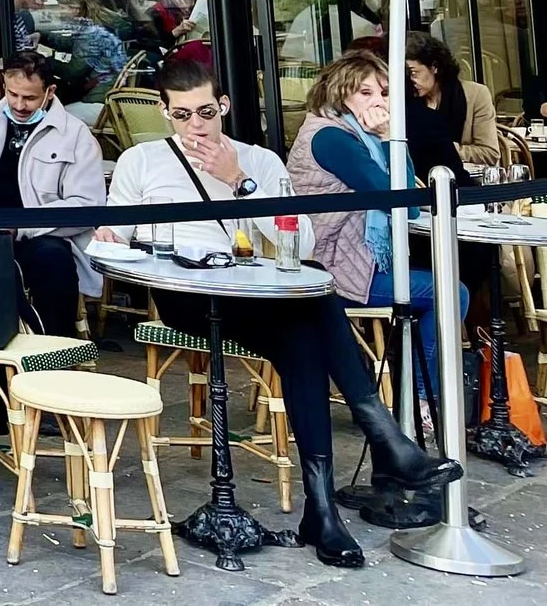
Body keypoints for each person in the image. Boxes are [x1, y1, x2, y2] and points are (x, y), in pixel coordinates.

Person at [102, 57, 458, 565]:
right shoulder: (142, 161)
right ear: (165, 113)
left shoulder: (259, 160)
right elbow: (124, 235)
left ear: (222, 106)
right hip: (188, 295)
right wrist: (114, 235)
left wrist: (241, 181)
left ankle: (324, 510)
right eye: (182, 116)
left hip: (253, 291)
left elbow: (303, 240)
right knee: (314, 315)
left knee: (308, 328)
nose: (196, 125)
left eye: (205, 112)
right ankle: (380, 446)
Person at [287, 51, 455, 405]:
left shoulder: (349, 133)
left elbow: (404, 192)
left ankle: (412, 388)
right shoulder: (332, 138)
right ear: (339, 94)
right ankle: (422, 399)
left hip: (351, 259)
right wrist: (392, 137)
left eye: (383, 93)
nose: (378, 102)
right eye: (365, 93)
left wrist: (391, 140)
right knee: (452, 292)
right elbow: (403, 201)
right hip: (330, 268)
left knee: (446, 282)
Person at [0, 52, 103, 334]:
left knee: (53, 261)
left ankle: (54, 349)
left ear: (50, 92)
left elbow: (87, 206)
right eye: (12, 94)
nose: (19, 105)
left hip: (40, 235)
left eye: (30, 98)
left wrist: (21, 225)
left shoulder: (75, 135)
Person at [403, 33, 500, 178]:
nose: (411, 81)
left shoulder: (475, 94)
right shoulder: (405, 101)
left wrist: (448, 149)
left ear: (434, 67)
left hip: (469, 181)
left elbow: (490, 153)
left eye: (414, 73)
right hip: (420, 180)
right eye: (405, 75)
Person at [36, 0, 126, 109]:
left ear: (75, 9)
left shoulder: (91, 33)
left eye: (61, 7)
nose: (59, 12)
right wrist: (43, 37)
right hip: (105, 92)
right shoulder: (95, 25)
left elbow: (72, 72)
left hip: (98, 99)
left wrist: (43, 61)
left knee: (55, 114)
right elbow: (74, 44)